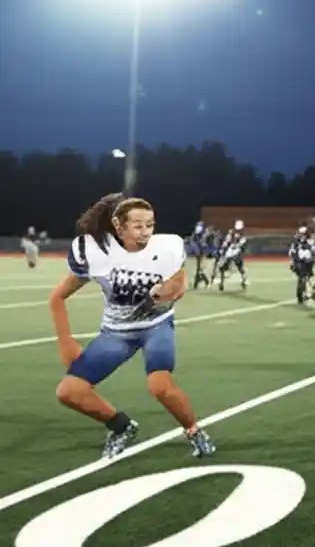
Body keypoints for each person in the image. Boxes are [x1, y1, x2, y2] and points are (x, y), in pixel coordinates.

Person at [49, 192, 216, 460]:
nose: (145, 232)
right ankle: (121, 427)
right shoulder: (94, 251)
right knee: (69, 392)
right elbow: (57, 296)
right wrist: (65, 339)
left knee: (160, 386)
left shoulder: (167, 247)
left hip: (155, 325)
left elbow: (180, 282)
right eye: (138, 225)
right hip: (116, 331)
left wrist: (167, 292)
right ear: (118, 225)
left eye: (150, 224)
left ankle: (194, 431)